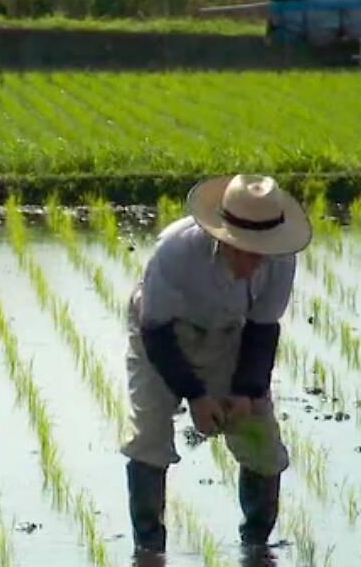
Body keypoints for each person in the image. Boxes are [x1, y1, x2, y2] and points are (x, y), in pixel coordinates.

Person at [122, 174, 312, 556]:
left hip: (229, 333)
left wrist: (245, 391)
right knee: (148, 439)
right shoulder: (176, 251)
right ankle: (149, 550)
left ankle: (256, 548)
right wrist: (195, 395)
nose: (253, 263)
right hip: (164, 331)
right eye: (244, 251)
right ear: (222, 237)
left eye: (261, 253)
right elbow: (155, 332)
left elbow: (262, 329)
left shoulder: (280, 260)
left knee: (262, 442)